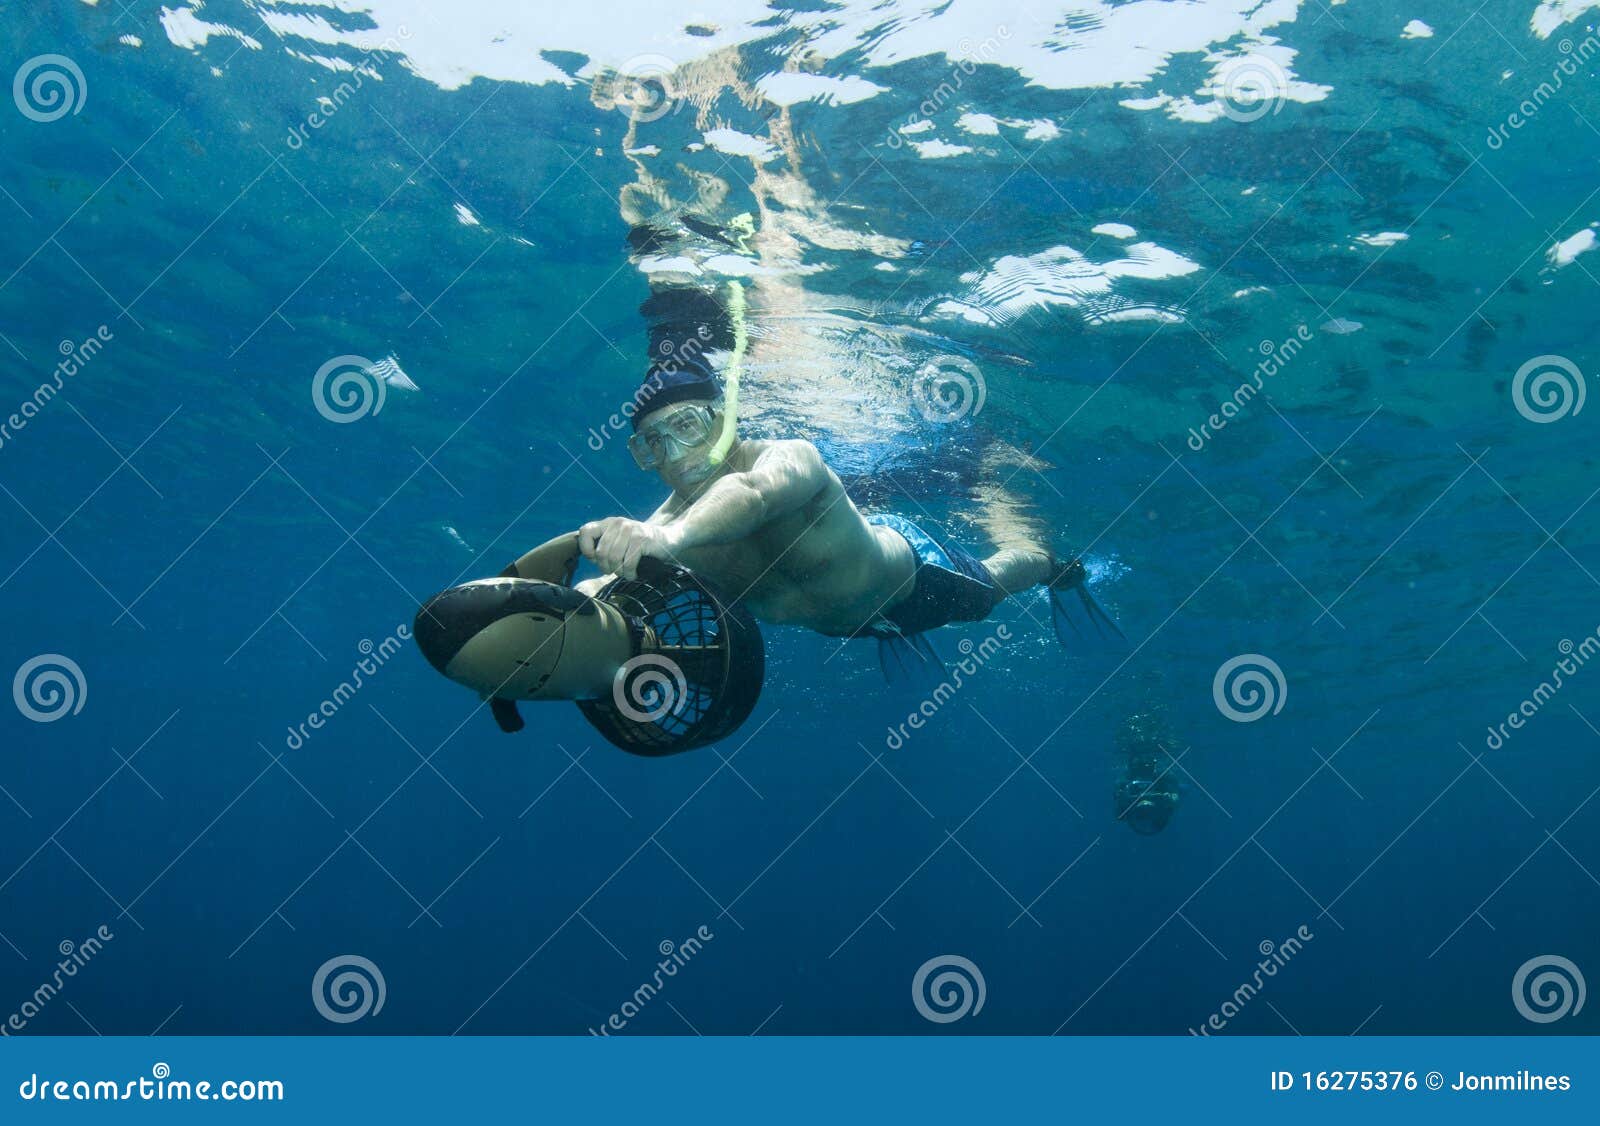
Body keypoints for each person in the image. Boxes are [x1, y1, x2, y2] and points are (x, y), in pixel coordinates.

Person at [575, 363, 1118, 652]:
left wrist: (666, 543)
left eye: (687, 426)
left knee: (994, 588)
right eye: (653, 444)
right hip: (849, 627)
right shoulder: (663, 527)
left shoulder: (788, 456)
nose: (676, 456)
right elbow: (613, 584)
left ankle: (1050, 564)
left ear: (723, 418)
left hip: (918, 584)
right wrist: (577, 602)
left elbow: (754, 495)